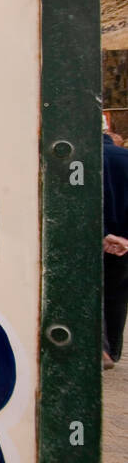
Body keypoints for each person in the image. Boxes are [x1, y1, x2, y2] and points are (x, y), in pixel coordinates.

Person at [103, 130, 128, 367]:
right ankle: (114, 350)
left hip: (94, 239)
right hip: (123, 244)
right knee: (117, 297)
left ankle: (101, 349)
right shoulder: (124, 157)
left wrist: (101, 234)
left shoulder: (81, 160)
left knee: (90, 291)